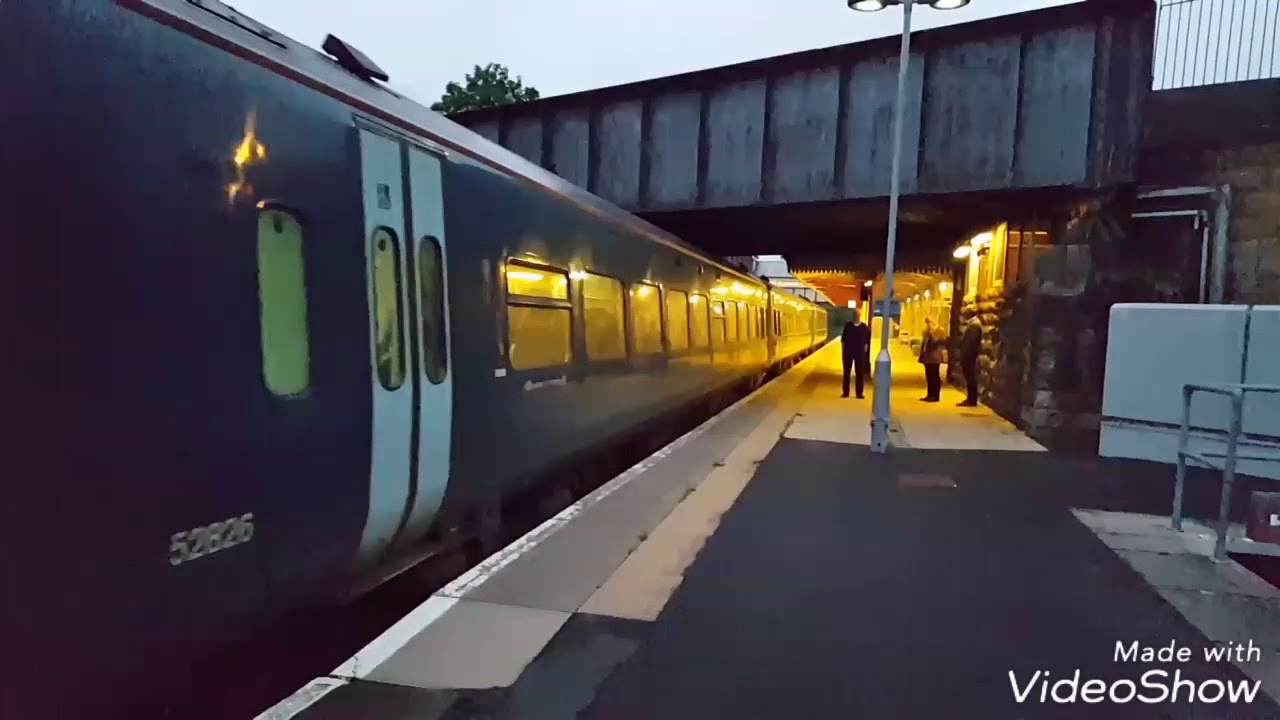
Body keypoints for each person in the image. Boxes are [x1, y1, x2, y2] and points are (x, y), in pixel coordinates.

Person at [841, 315, 872, 398]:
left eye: (857, 314)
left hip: (859, 353)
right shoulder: (848, 326)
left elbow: (866, 341)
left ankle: (859, 393)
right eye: (855, 314)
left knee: (859, 373)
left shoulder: (864, 327)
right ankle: (846, 392)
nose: (856, 316)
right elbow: (843, 340)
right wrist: (843, 352)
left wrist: (865, 352)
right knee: (846, 373)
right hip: (848, 353)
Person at [918, 317, 947, 403]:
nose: (928, 324)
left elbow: (936, 339)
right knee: (929, 376)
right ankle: (930, 394)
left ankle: (935, 395)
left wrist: (932, 330)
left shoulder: (939, 330)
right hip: (928, 357)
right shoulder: (927, 331)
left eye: (929, 321)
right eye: (927, 322)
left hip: (934, 357)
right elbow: (923, 336)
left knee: (934, 376)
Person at [958, 317, 982, 407]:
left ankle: (971, 399)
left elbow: (971, 342)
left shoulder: (974, 326)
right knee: (970, 377)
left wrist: (965, 352)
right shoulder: (973, 325)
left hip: (970, 355)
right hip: (970, 354)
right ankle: (971, 398)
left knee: (970, 376)